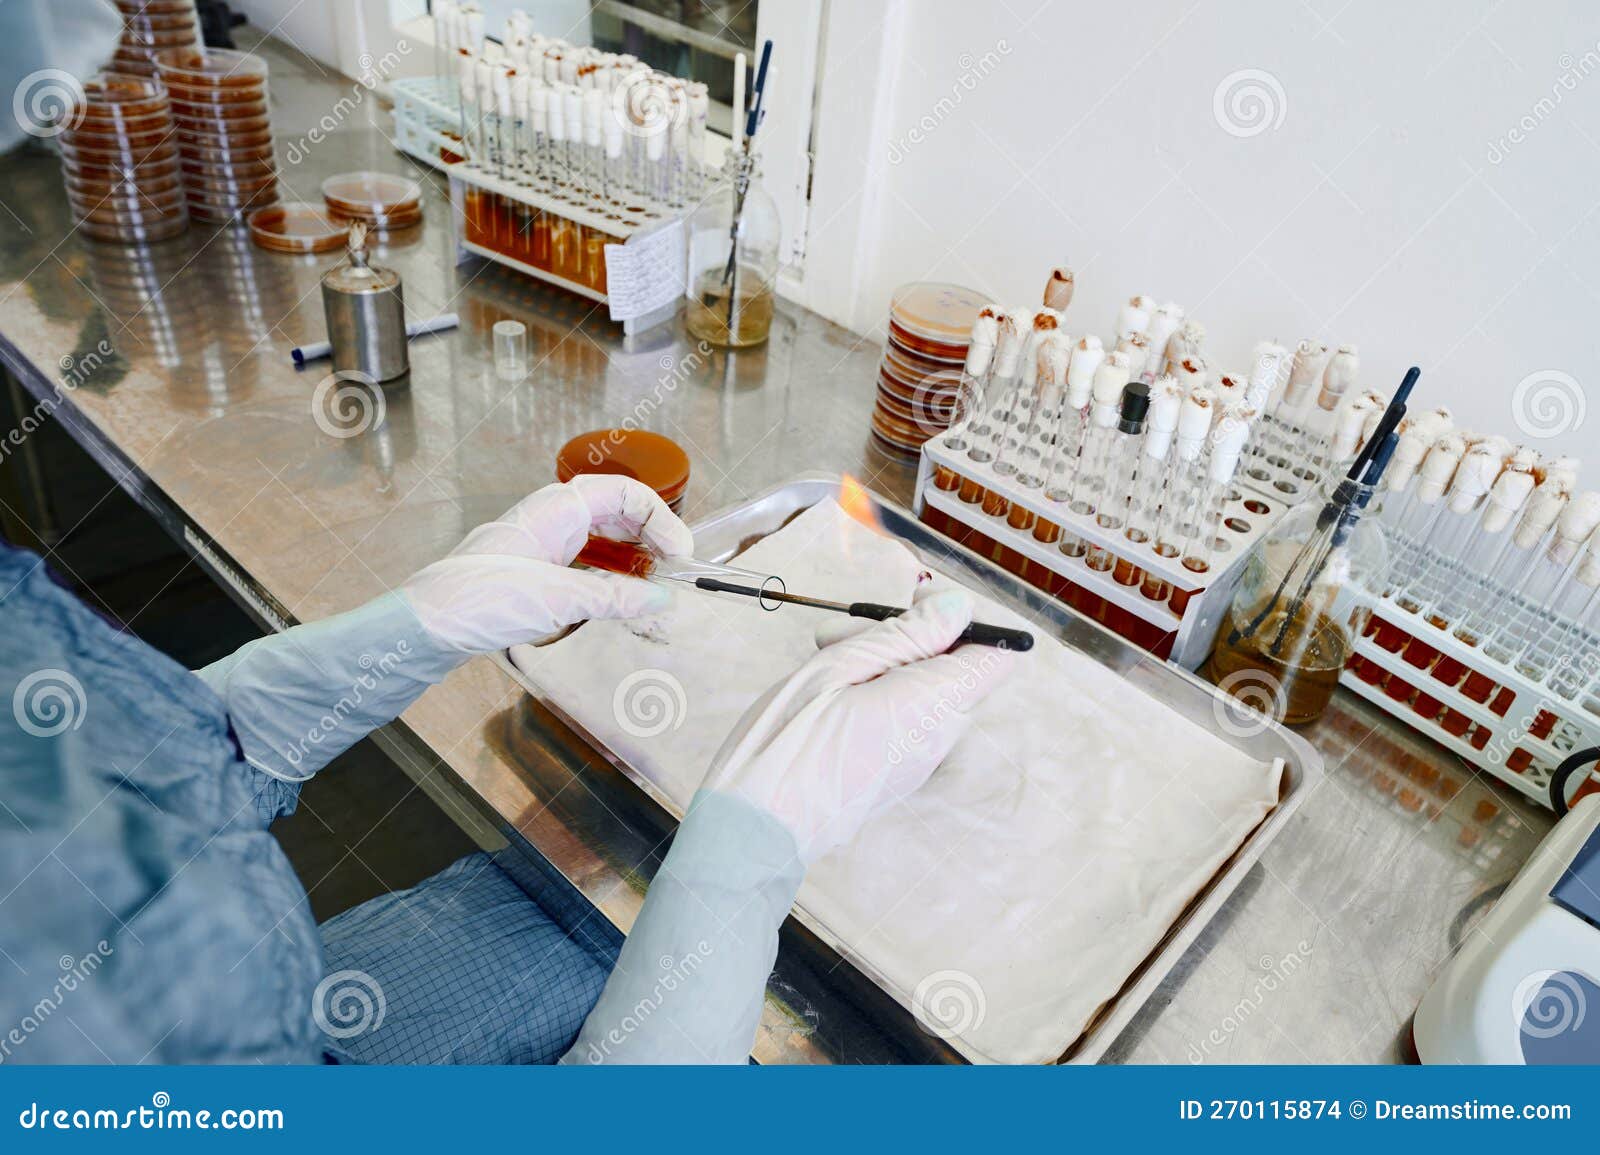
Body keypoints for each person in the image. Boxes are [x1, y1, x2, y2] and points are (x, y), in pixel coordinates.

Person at [1, 475, 1009, 1063]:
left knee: (583, 920)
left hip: (232, 1025)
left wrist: (287, 698)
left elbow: (66, 799)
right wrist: (740, 871)